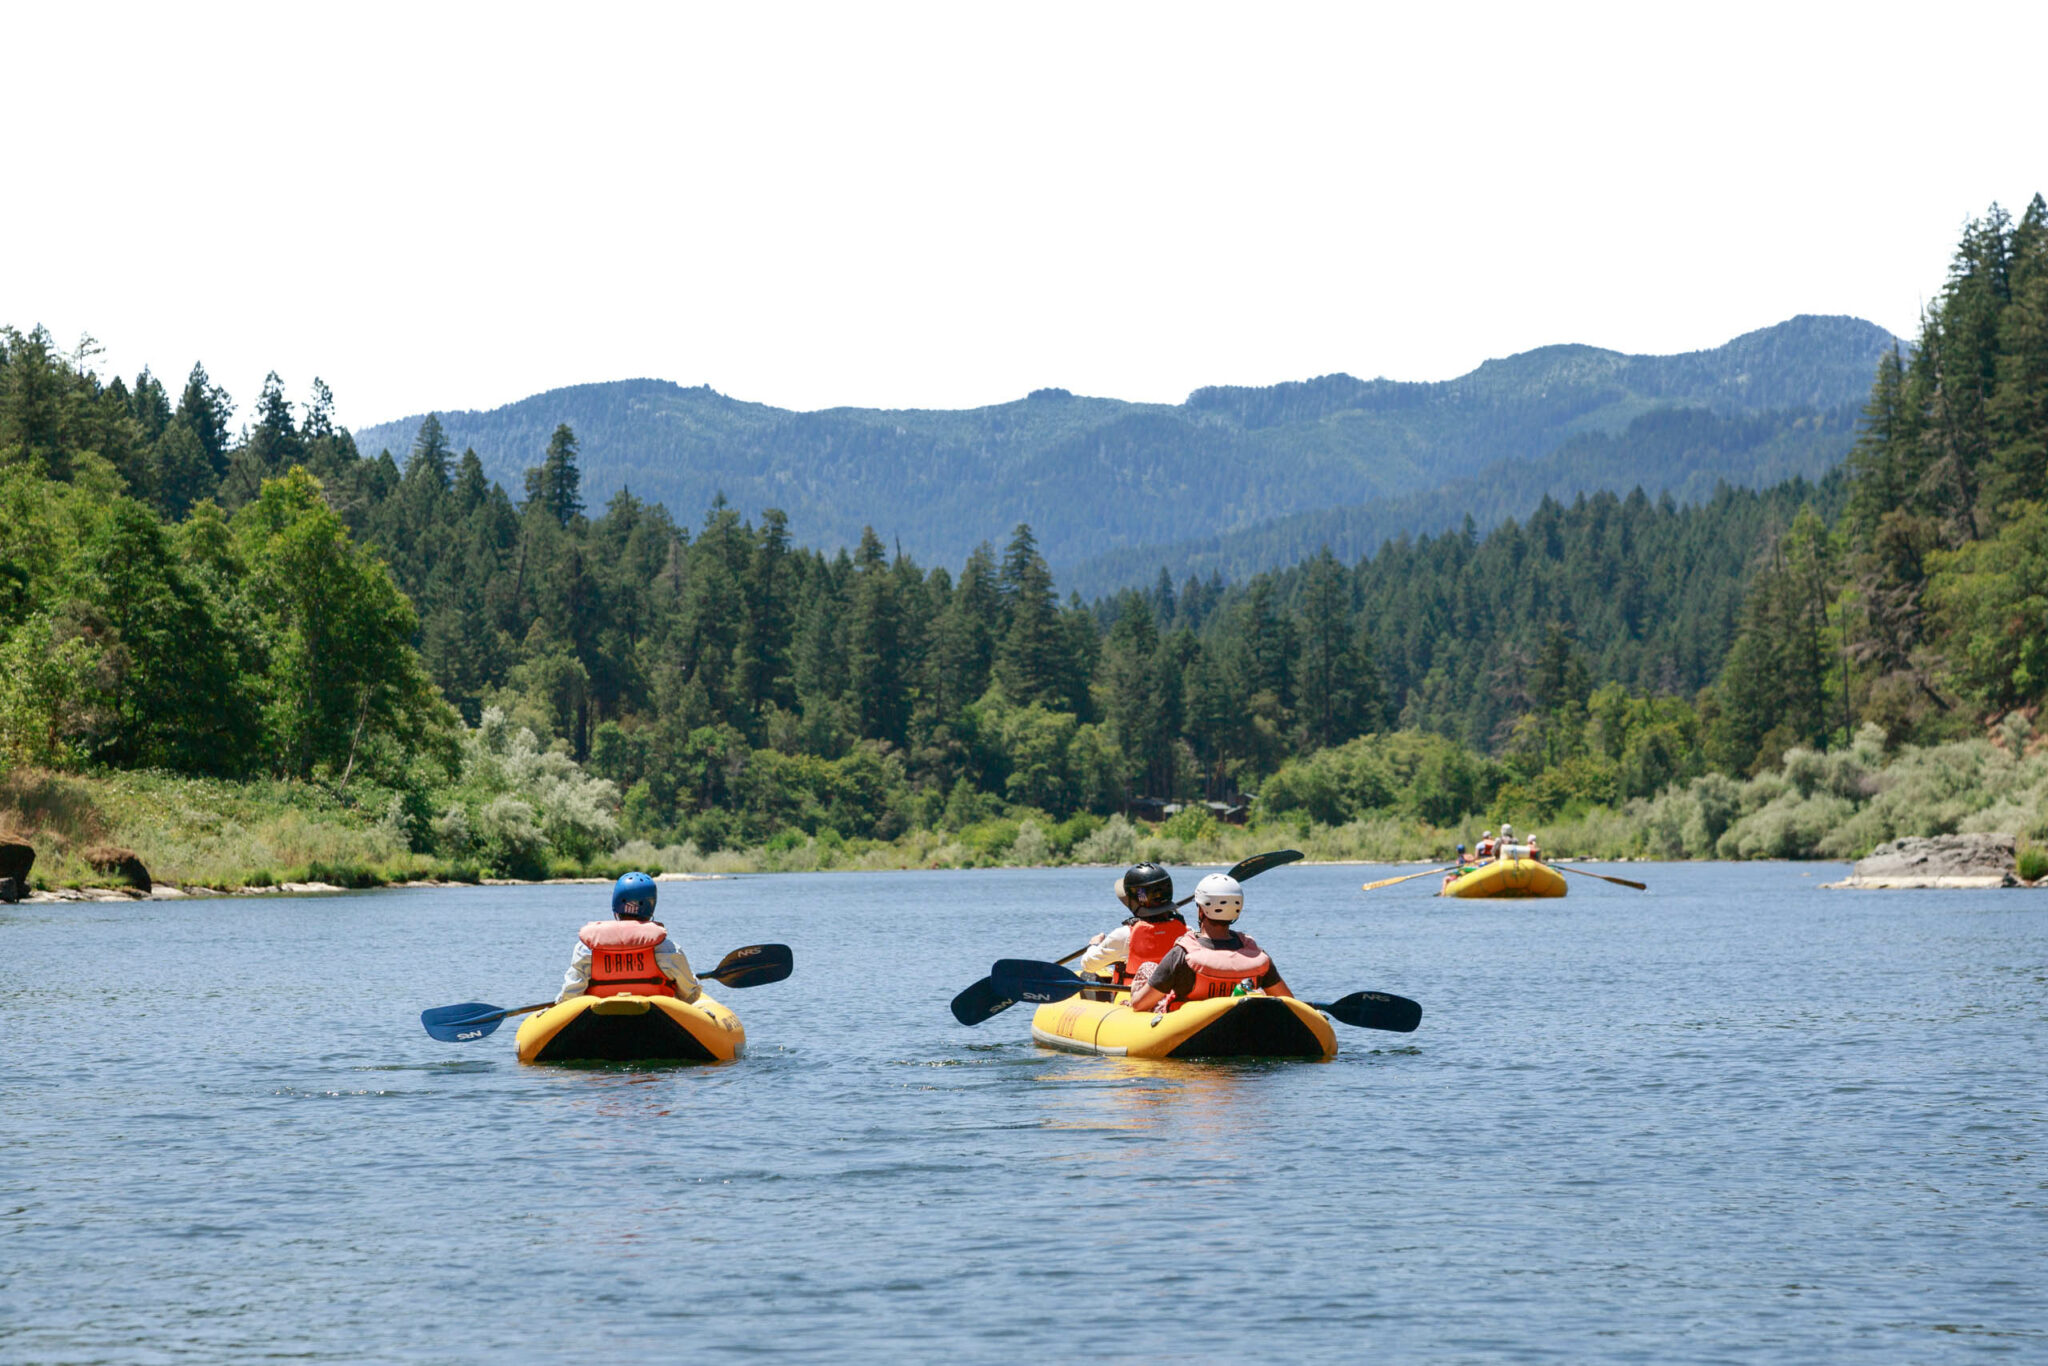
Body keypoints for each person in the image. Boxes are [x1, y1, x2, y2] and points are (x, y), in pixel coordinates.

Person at [1128, 873, 1290, 1011]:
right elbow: (1288, 1001)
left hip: (1189, 1031)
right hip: (1242, 1026)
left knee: (1148, 968)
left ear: (1200, 910)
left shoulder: (1182, 954)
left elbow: (1139, 1004)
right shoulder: (1257, 955)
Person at [556, 871, 701, 1004]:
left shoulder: (586, 949)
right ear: (651, 906)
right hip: (658, 1022)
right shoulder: (669, 949)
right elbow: (690, 995)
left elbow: (570, 997)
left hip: (600, 1022)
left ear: (616, 905)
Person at [1077, 862, 1185, 986]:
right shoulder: (1186, 932)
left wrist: (1094, 945)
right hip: (1171, 995)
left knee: (1087, 975)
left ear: (1133, 901)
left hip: (1133, 998)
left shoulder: (1123, 936)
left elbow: (1088, 965)